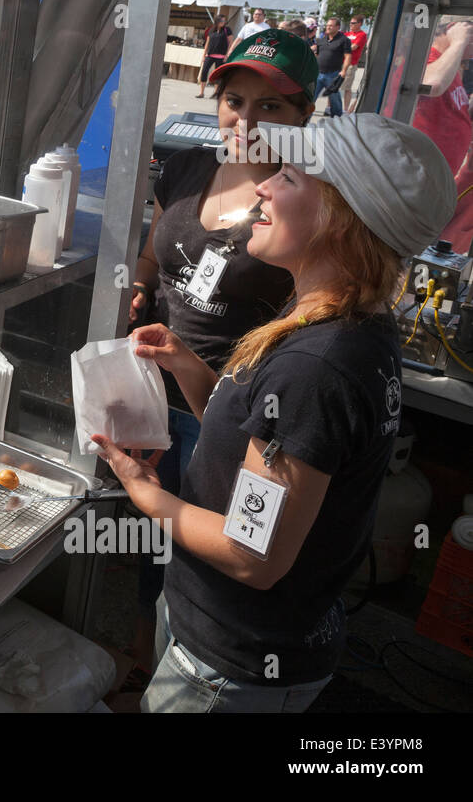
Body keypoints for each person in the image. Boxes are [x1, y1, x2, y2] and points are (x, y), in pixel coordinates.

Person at [98, 113, 455, 712]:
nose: (261, 186)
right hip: (220, 632)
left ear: (341, 219)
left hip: (231, 660)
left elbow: (251, 554)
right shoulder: (343, 320)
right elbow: (267, 436)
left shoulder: (318, 365)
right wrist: (188, 365)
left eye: (287, 177)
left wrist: (145, 494)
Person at [127, 28, 316, 671]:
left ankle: (181, 667)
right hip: (154, 382)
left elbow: (305, 316)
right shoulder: (185, 168)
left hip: (223, 410)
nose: (247, 118)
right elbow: (155, 249)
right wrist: (139, 287)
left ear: (305, 117)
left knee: (201, 544)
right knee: (149, 537)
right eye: (235, 100)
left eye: (272, 107)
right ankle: (146, 654)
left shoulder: (298, 201)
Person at [413, 20, 473, 252]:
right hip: (420, 179)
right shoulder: (432, 58)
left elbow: (449, 105)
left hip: (439, 180)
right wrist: (458, 41)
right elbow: (431, 84)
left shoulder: (451, 62)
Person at [311, 17, 351, 118]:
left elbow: (348, 56)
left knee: (335, 102)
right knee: (310, 99)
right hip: (318, 74)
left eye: (331, 25)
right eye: (327, 25)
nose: (328, 27)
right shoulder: (321, 40)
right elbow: (317, 55)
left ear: (337, 27)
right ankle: (305, 122)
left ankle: (336, 122)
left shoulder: (344, 40)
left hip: (332, 75)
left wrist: (344, 71)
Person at [195, 14, 233, 98]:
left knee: (218, 75)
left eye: (224, 21)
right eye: (222, 21)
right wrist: (203, 55)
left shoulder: (227, 30)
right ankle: (201, 93)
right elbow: (207, 43)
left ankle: (216, 93)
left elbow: (230, 43)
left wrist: (227, 55)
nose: (224, 22)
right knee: (204, 72)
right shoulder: (211, 30)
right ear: (217, 21)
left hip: (221, 56)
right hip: (210, 55)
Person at [341, 14, 368, 113]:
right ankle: (329, 107)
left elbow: (354, 47)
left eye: (353, 23)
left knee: (347, 88)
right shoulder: (346, 34)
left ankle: (345, 110)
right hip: (340, 62)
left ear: (359, 24)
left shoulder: (362, 35)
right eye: (350, 23)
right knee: (333, 86)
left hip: (351, 64)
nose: (351, 24)